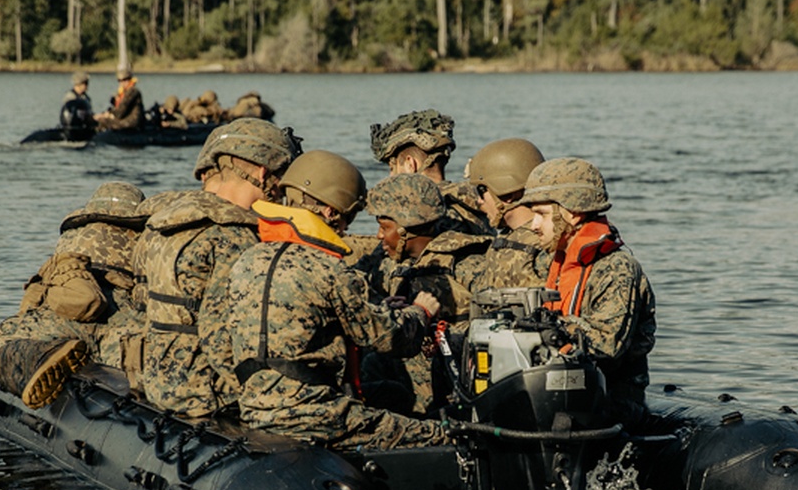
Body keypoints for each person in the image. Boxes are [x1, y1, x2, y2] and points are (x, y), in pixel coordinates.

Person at [214, 150, 449, 450]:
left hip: (252, 409)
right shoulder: (329, 269)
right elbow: (389, 338)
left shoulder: (248, 258)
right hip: (317, 416)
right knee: (439, 435)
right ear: (329, 212)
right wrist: (420, 312)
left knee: (392, 393)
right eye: (349, 216)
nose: (347, 227)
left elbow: (216, 340)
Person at [137, 118, 301, 419]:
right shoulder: (232, 237)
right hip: (206, 394)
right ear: (263, 173)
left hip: (160, 381)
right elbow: (219, 342)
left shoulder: (166, 221)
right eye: (282, 177)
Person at [0, 181, 151, 407]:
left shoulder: (73, 232)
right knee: (136, 357)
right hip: (122, 313)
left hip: (68, 315)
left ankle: (41, 355)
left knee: (1, 340)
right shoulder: (148, 236)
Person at [519, 158, 656, 418]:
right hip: (558, 388)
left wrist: (549, 328)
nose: (534, 225)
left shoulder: (617, 269)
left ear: (573, 213)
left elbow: (607, 343)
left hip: (609, 398)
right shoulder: (553, 260)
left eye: (542, 214)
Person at [358, 174, 491, 415]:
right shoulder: (396, 266)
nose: (379, 236)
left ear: (406, 230)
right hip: (411, 386)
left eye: (385, 227)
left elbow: (495, 323)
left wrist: (448, 337)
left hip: (453, 384)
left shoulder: (466, 263)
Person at [368, 108, 492, 236]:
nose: (391, 176)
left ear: (410, 165)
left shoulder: (425, 216)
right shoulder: (476, 202)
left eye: (392, 168)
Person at [466, 138, 551, 292]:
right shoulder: (511, 236)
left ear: (507, 194)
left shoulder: (545, 247)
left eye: (481, 191)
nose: (479, 201)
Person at [95, 64, 145, 130]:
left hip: (132, 122)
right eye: (119, 81)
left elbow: (120, 112)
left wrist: (109, 114)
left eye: (124, 80)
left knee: (103, 121)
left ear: (129, 80)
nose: (121, 83)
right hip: (126, 119)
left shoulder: (132, 91)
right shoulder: (125, 92)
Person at [58, 72, 95, 140]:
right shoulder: (70, 98)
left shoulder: (86, 98)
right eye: (85, 83)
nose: (87, 86)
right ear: (79, 84)